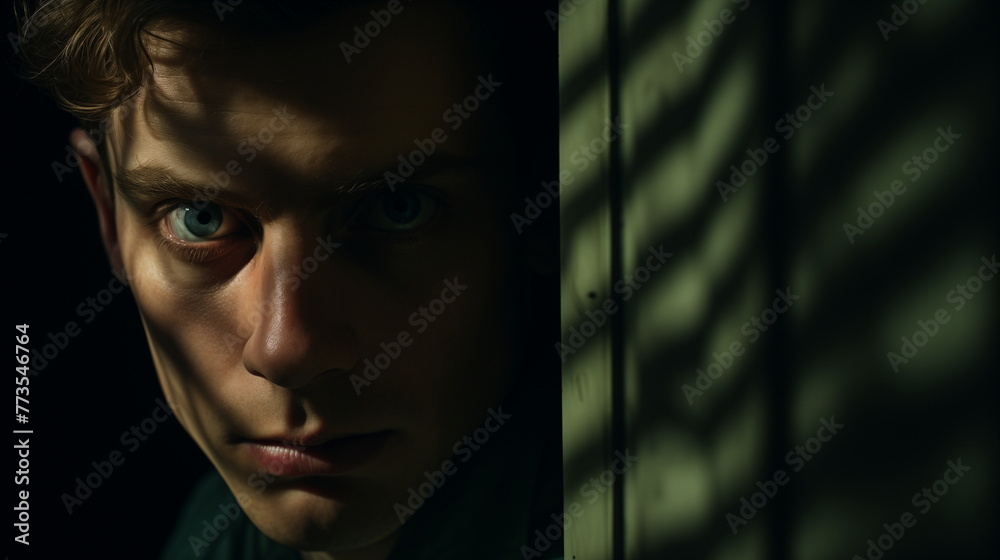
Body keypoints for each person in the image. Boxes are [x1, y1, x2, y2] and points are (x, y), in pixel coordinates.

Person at [18, 1, 562, 558]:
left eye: (397, 207)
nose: (286, 353)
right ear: (108, 217)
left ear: (543, 205)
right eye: (201, 218)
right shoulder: (215, 537)